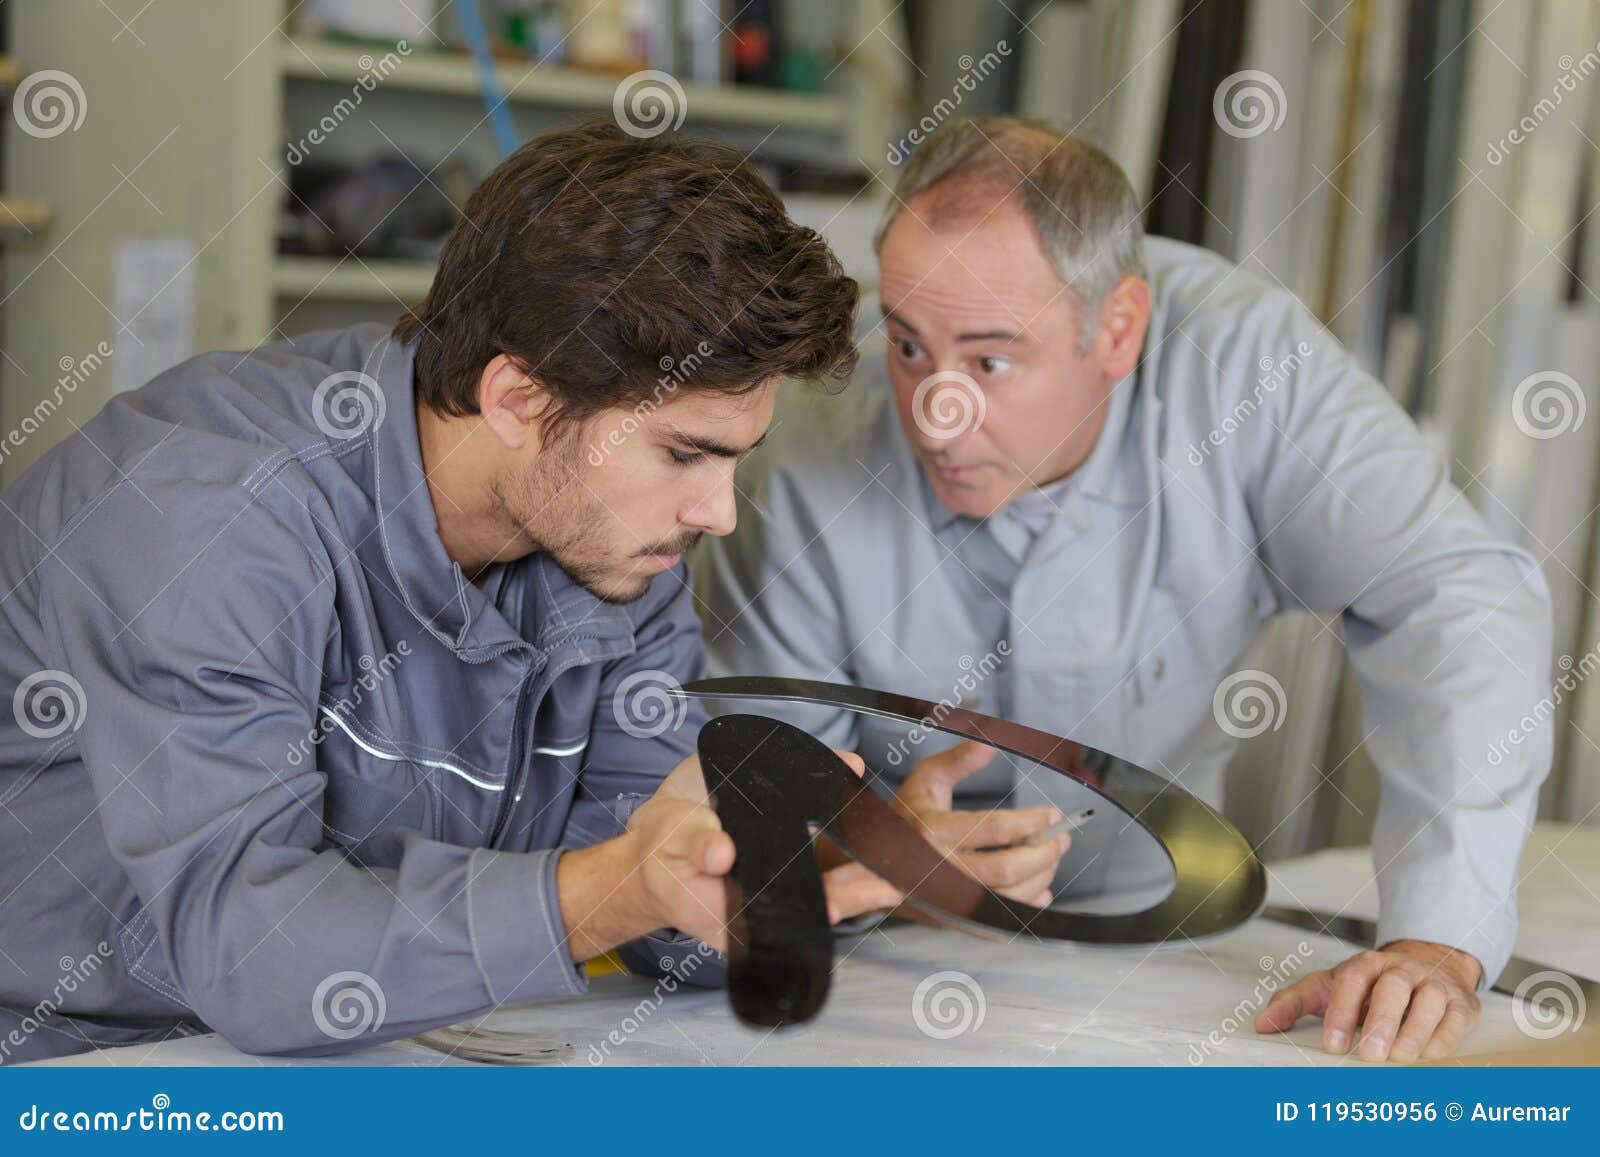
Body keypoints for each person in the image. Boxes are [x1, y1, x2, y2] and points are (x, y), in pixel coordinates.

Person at [0, 120, 1025, 1063]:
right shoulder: (205, 512)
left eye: (735, 462)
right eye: (683, 453)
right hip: (78, 1061)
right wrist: (613, 886)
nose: (719, 512)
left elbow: (663, 901)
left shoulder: (610, 544)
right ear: (518, 398)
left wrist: (827, 873)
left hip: (374, 1052)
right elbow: (250, 953)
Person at [699, 117, 1554, 1063]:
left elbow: (1456, 597)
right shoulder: (800, 447)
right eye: (906, 346)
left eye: (990, 359)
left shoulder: (1247, 372)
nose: (936, 415)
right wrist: (870, 853)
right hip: (883, 958)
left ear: (1117, 331)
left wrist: (1438, 939)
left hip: (1167, 941)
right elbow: (755, 808)